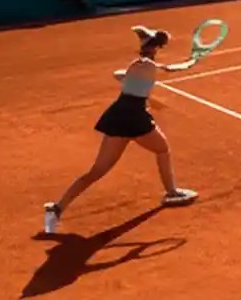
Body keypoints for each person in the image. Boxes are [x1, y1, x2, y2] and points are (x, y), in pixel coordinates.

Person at [43, 27, 198, 234]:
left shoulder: (137, 68)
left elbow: (119, 74)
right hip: (135, 118)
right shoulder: (145, 65)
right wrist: (190, 63)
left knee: (97, 170)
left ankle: (57, 208)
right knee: (162, 149)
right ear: (155, 48)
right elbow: (168, 69)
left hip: (119, 116)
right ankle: (171, 192)